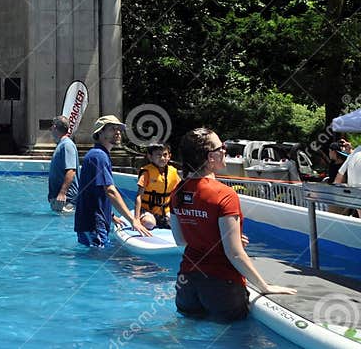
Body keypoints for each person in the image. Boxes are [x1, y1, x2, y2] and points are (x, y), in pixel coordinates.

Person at [170, 127, 295, 320]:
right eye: (222, 147)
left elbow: (181, 240)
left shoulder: (177, 192)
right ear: (210, 157)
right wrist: (265, 286)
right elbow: (234, 253)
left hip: (186, 285)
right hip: (222, 286)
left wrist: (222, 240)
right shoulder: (224, 194)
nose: (225, 151)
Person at [74, 115, 151, 247]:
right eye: (112, 129)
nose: (118, 132)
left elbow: (94, 191)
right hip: (94, 225)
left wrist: (111, 215)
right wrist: (133, 220)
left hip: (91, 223)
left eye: (119, 129)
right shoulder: (99, 156)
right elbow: (110, 190)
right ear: (100, 132)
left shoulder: (97, 154)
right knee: (97, 261)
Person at [134, 143, 180, 230]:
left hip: (165, 211)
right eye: (158, 155)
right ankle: (143, 218)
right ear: (150, 157)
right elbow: (139, 196)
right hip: (148, 210)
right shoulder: (146, 172)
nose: (162, 158)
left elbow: (181, 190)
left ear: (169, 156)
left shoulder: (173, 172)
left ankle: (162, 221)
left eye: (165, 155)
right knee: (149, 223)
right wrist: (136, 219)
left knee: (177, 223)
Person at [48, 115, 79, 214]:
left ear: (55, 127)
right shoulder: (62, 145)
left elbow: (71, 171)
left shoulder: (67, 145)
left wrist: (62, 193)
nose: (51, 129)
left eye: (52, 126)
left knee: (63, 225)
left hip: (66, 199)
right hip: (60, 198)